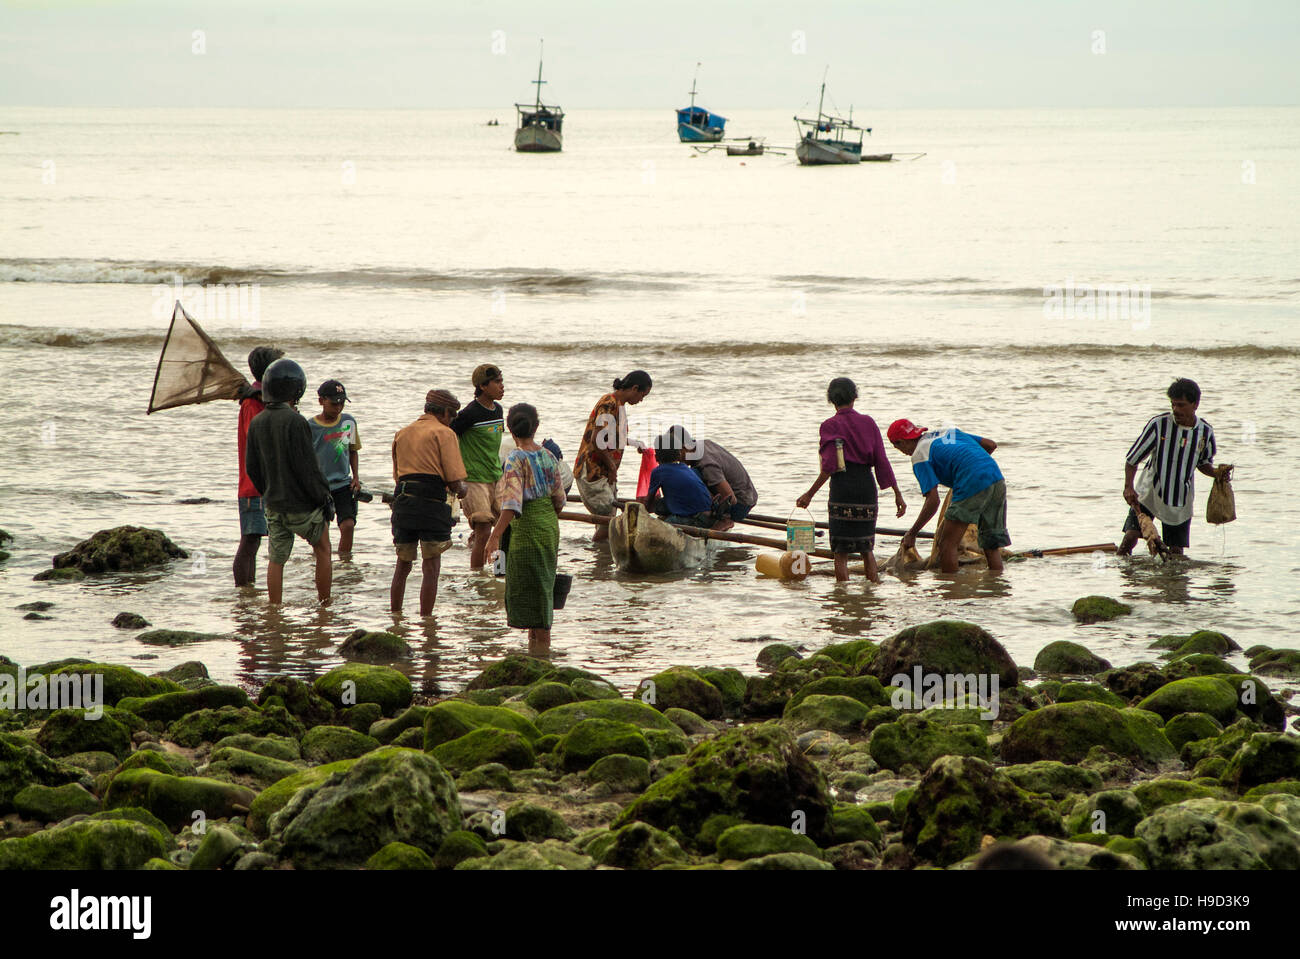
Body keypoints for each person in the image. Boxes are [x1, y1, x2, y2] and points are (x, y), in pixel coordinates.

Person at [797, 378, 906, 582]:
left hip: (843, 487)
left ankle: (843, 597)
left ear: (831, 400)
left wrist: (809, 494)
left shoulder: (829, 425)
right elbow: (881, 460)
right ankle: (872, 591)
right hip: (866, 486)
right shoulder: (868, 422)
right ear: (855, 397)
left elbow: (829, 466)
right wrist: (897, 494)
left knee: (841, 551)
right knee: (866, 548)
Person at [244, 358, 334, 604]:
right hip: (302, 506)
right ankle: (325, 606)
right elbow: (309, 468)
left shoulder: (257, 421)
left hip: (274, 505)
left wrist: (269, 492)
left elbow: (252, 468)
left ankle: (275, 609)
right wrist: (324, 498)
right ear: (297, 390)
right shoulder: (296, 421)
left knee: (277, 559)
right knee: (323, 549)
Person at [484, 403, 568, 655]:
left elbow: (511, 504)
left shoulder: (515, 459)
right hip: (548, 527)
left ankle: (540, 651)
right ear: (536, 426)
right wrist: (546, 516)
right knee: (543, 585)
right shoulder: (548, 456)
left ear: (510, 428)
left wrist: (494, 535)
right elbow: (559, 501)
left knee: (531, 587)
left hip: (527, 529)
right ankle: (539, 651)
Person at [887, 417, 1008, 574]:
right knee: (990, 543)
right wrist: (975, 465)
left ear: (901, 442)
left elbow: (933, 501)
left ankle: (951, 592)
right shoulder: (947, 432)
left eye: (897, 447)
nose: (902, 452)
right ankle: (996, 586)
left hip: (970, 481)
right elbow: (990, 445)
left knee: (947, 544)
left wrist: (912, 533)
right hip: (996, 478)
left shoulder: (919, 455)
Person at [1118, 378, 1218, 557]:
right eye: (1173, 404)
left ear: (1195, 404)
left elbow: (1203, 463)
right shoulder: (1159, 425)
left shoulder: (1205, 432)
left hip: (1180, 498)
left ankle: (1172, 582)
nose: (1176, 410)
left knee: (1176, 553)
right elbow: (1132, 459)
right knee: (1131, 537)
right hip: (1150, 493)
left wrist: (1218, 474)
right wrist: (1128, 487)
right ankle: (1124, 576)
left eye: (1181, 405)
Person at [389, 389, 468, 615]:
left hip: (403, 500)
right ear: (444, 412)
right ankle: (426, 621)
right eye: (452, 415)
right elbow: (454, 482)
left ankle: (396, 616)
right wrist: (464, 490)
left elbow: (397, 475)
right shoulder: (444, 433)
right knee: (431, 567)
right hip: (432, 504)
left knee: (402, 565)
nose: (452, 421)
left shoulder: (402, 433)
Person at [572, 370, 652, 542]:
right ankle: (597, 555)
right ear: (635, 388)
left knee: (607, 520)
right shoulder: (609, 403)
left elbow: (612, 438)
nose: (641, 400)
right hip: (593, 470)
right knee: (609, 522)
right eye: (642, 395)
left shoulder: (620, 406)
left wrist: (634, 443)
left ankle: (601, 558)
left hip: (604, 473)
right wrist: (612, 466)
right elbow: (597, 440)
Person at [234, 345, 283, 586]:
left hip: (263, 485)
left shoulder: (260, 400)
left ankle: (248, 590)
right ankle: (244, 593)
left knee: (254, 541)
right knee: (250, 541)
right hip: (254, 485)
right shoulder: (252, 404)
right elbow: (259, 440)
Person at [451, 364, 505, 570]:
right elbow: (449, 438)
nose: (502, 386)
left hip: (496, 476)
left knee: (502, 527)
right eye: (497, 382)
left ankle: (500, 572)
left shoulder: (498, 410)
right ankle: (477, 577)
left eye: (502, 381)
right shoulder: (469, 414)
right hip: (474, 480)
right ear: (483, 386)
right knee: (483, 529)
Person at [309, 379, 362, 557]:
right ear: (321, 401)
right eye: (334, 403)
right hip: (319, 488)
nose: (338, 407)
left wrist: (355, 477)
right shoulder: (311, 426)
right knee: (321, 530)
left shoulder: (348, 422)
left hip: (343, 484)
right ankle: (321, 560)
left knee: (348, 525)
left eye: (342, 403)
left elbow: (353, 451)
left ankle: (344, 562)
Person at [676, 427, 758, 531]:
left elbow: (731, 498)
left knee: (690, 475)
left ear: (685, 448)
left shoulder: (706, 463)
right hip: (747, 495)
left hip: (739, 504)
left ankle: (725, 520)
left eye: (677, 454)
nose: (677, 459)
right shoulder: (702, 445)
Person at [643, 430, 717, 528]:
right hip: (709, 515)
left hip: (698, 519)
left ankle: (679, 517)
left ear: (656, 457)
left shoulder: (658, 472)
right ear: (678, 454)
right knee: (661, 505)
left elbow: (648, 502)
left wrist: (642, 515)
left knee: (663, 525)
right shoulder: (686, 467)